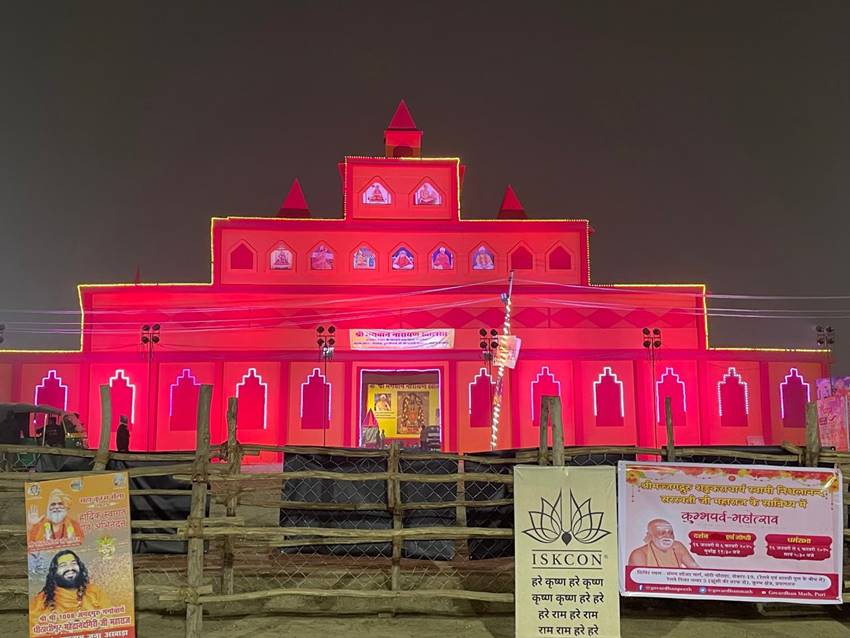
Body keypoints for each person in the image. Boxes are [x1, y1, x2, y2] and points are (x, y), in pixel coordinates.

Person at [30, 550, 108, 615]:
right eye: (63, 565)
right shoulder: (41, 601)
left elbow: (111, 616)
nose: (70, 568)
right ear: (54, 572)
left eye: (73, 563)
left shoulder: (94, 592)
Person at [627, 519, 699, 568]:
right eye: (662, 533)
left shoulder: (677, 547)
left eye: (671, 533)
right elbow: (639, 581)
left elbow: (695, 568)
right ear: (650, 535)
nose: (668, 536)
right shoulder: (639, 554)